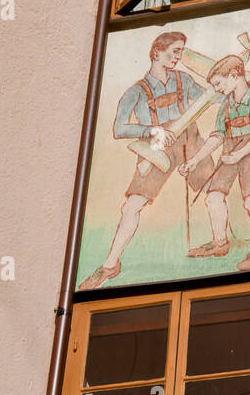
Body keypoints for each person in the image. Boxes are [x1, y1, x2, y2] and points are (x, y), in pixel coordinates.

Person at [78, 31, 214, 290]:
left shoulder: (184, 80)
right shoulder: (135, 92)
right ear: (156, 52)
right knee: (132, 205)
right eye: (174, 51)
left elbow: (211, 97)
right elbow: (119, 128)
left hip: (190, 137)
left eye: (181, 51)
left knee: (215, 189)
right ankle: (110, 264)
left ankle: (225, 241)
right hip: (157, 145)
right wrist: (151, 132)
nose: (178, 57)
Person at [180, 53, 250, 272]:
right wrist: (194, 161)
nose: (216, 89)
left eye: (218, 83)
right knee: (214, 196)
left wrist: (241, 152)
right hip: (229, 150)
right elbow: (217, 135)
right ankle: (220, 243)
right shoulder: (226, 104)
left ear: (234, 75)